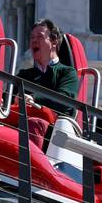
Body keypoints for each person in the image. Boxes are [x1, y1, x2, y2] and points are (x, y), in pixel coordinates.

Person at [16, 18, 79, 148]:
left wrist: (33, 99)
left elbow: (64, 100)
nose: (34, 40)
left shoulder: (67, 73)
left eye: (40, 37)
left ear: (54, 41)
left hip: (54, 134)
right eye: (32, 37)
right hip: (20, 126)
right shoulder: (23, 75)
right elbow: (8, 97)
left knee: (33, 124)